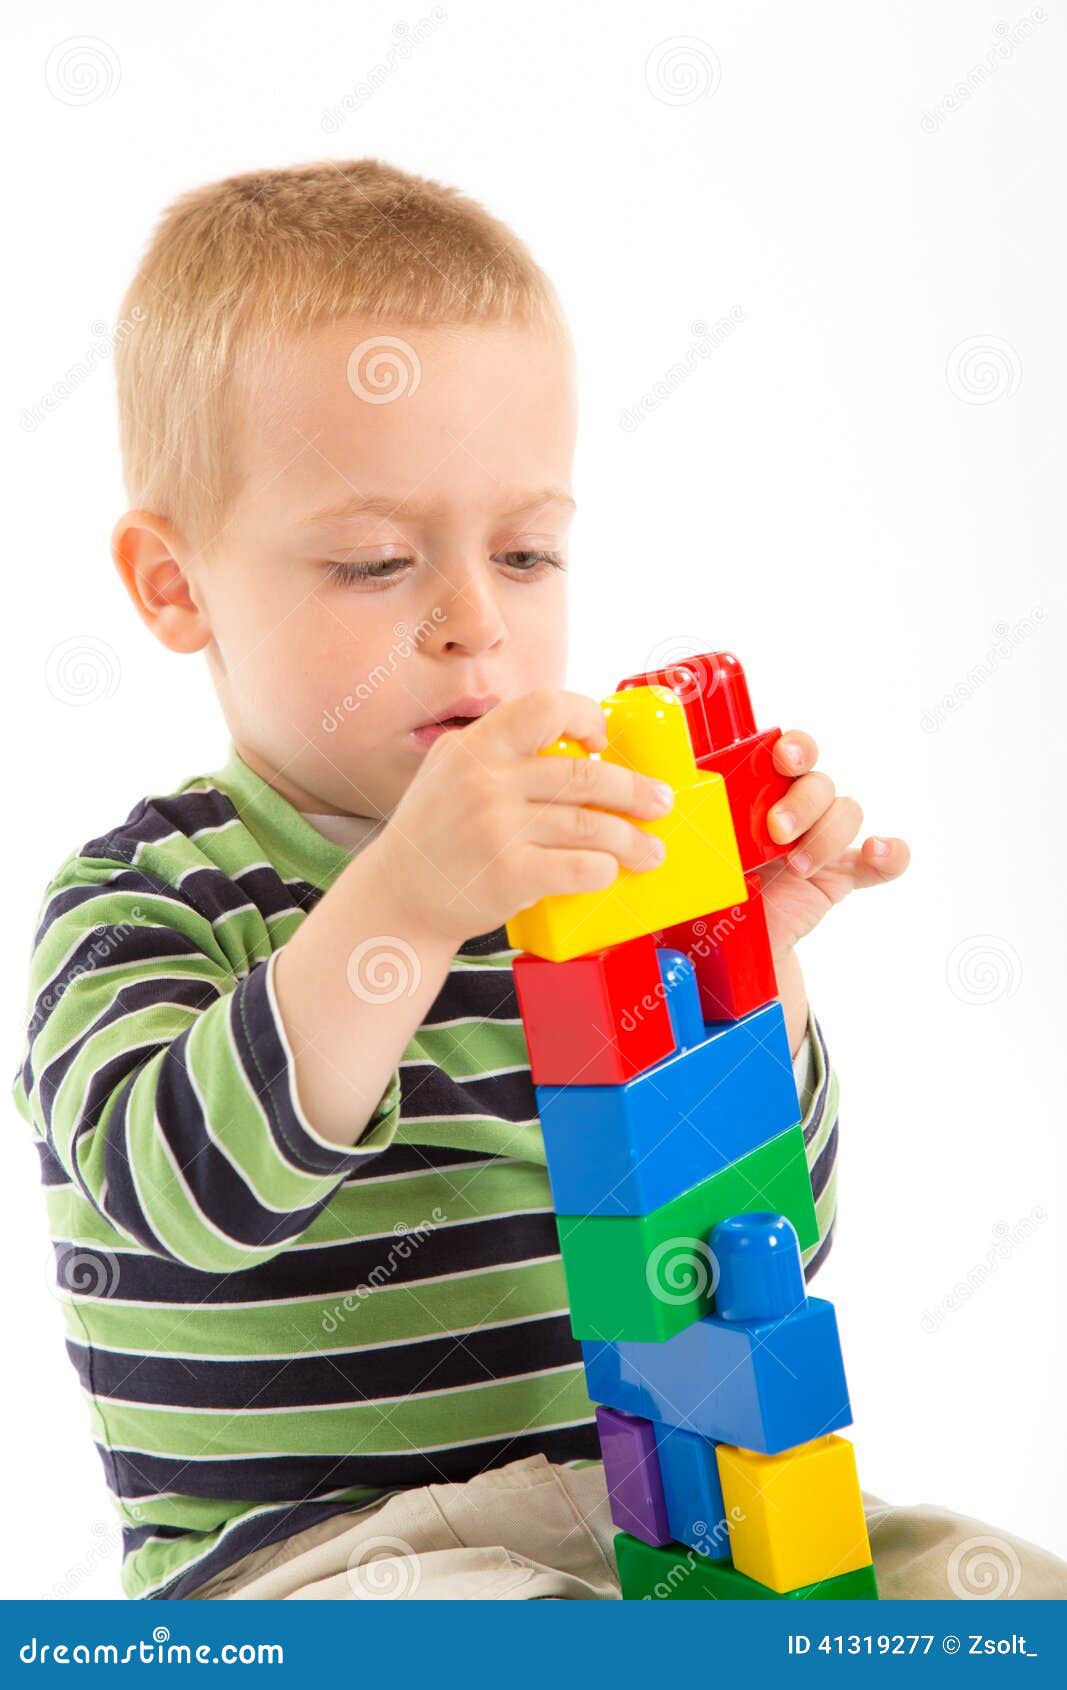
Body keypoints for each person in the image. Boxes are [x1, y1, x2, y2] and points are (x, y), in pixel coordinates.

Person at [13, 160, 1066, 1602]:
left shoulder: (593, 863)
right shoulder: (146, 897)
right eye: (375, 561)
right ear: (176, 585)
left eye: (525, 552)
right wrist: (407, 902)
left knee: (998, 1590)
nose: (474, 621)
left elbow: (768, 1241)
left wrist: (747, 969)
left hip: (669, 1509)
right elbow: (192, 1194)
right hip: (324, 1569)